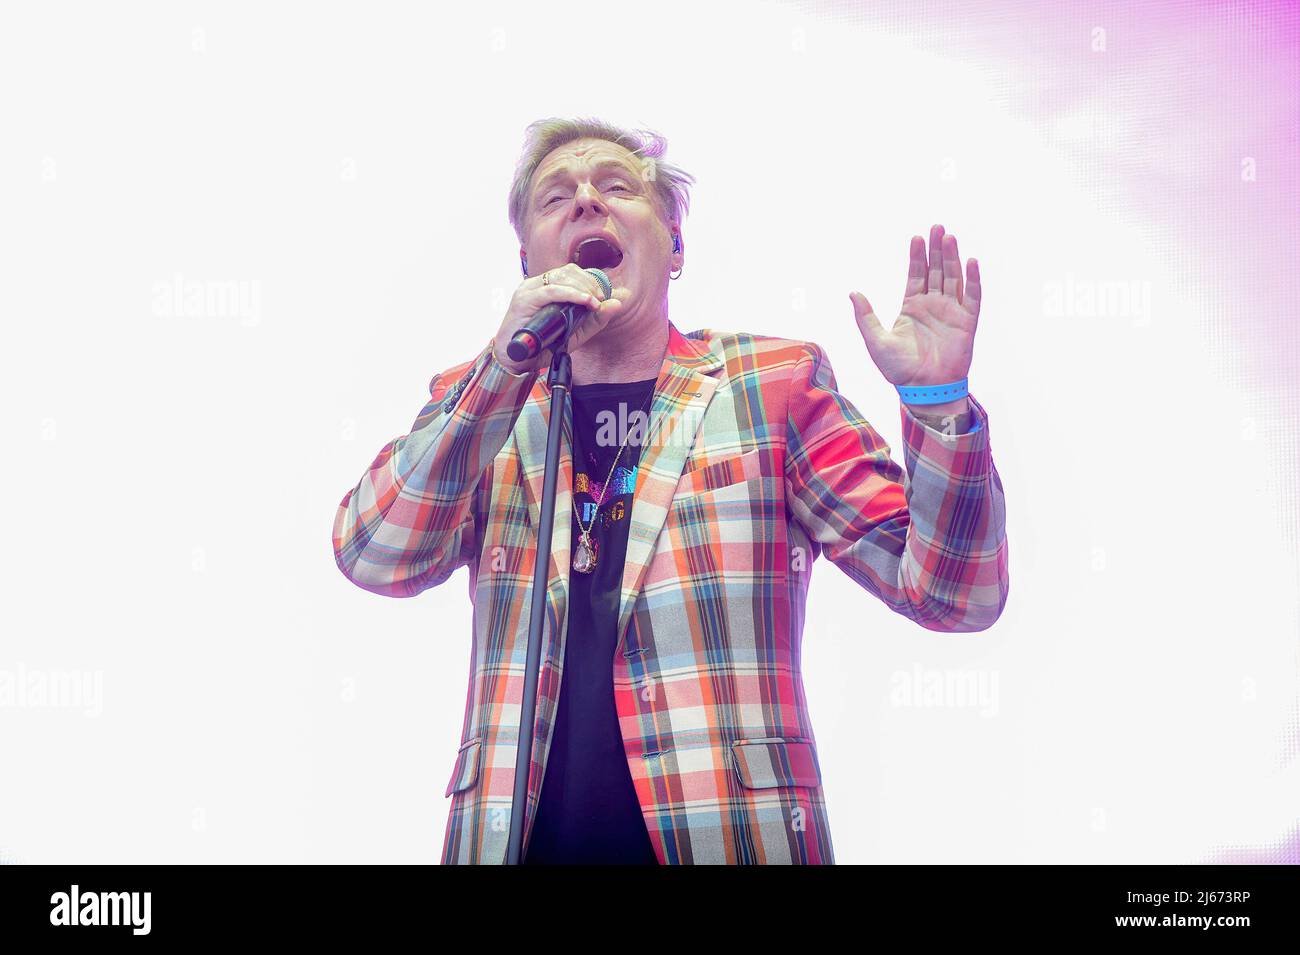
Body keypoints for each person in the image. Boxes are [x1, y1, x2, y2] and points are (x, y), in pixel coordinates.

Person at [332, 116, 1010, 864]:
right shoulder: (484, 404)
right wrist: (500, 370)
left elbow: (954, 594)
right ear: (527, 258)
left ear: (676, 243)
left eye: (617, 186)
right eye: (556, 197)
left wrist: (937, 402)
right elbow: (374, 552)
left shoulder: (771, 386)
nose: (586, 198)